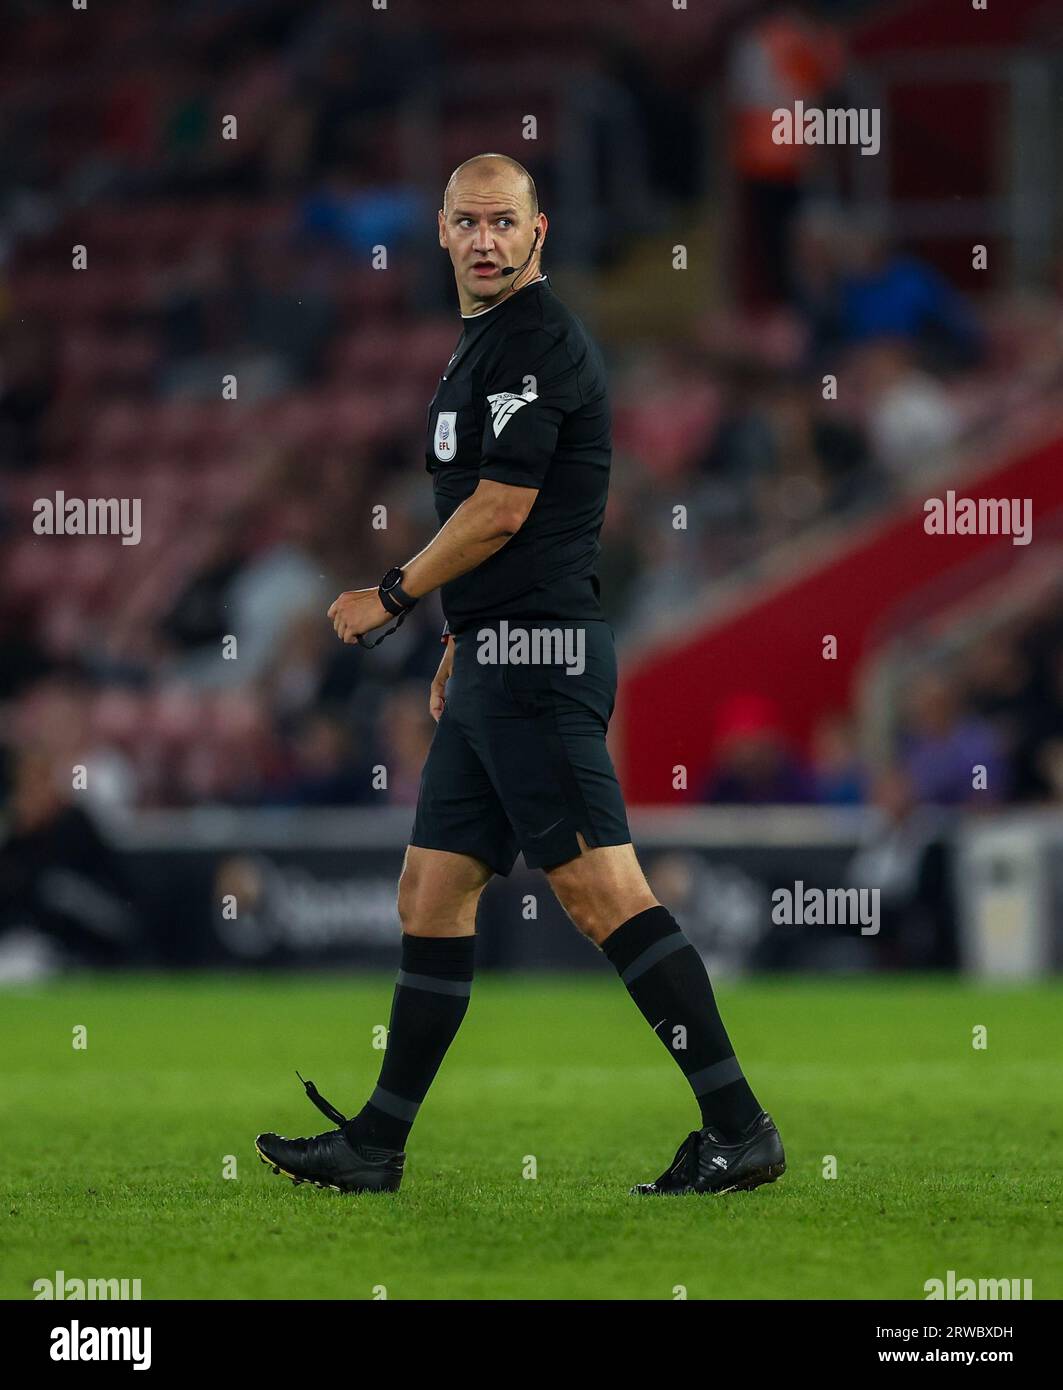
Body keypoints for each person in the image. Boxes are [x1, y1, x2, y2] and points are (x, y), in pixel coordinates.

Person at [255, 154, 785, 1198]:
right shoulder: (478, 347)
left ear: (538, 233)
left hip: (539, 660)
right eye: (469, 222)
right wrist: (460, 632)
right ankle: (377, 1143)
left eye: (507, 221)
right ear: (444, 234)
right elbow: (507, 530)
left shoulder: (537, 341)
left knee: (599, 892)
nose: (487, 239)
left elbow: (501, 508)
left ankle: (738, 1125)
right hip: (495, 654)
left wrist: (394, 595)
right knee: (433, 889)